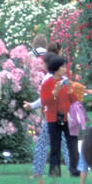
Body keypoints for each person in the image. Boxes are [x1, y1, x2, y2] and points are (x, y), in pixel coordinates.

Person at [36, 54, 80, 178]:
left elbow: (74, 101)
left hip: (68, 118)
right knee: (55, 147)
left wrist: (70, 90)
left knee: (73, 145)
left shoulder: (67, 82)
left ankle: (75, 171)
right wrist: (55, 92)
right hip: (53, 118)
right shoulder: (47, 83)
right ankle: (54, 173)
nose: (64, 68)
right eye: (62, 66)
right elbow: (44, 101)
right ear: (55, 68)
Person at [29, 38, 68, 175]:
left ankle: (38, 171)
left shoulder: (48, 79)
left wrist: (31, 105)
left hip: (52, 116)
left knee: (43, 144)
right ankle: (74, 168)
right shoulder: (61, 78)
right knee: (63, 143)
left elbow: (44, 99)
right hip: (59, 115)